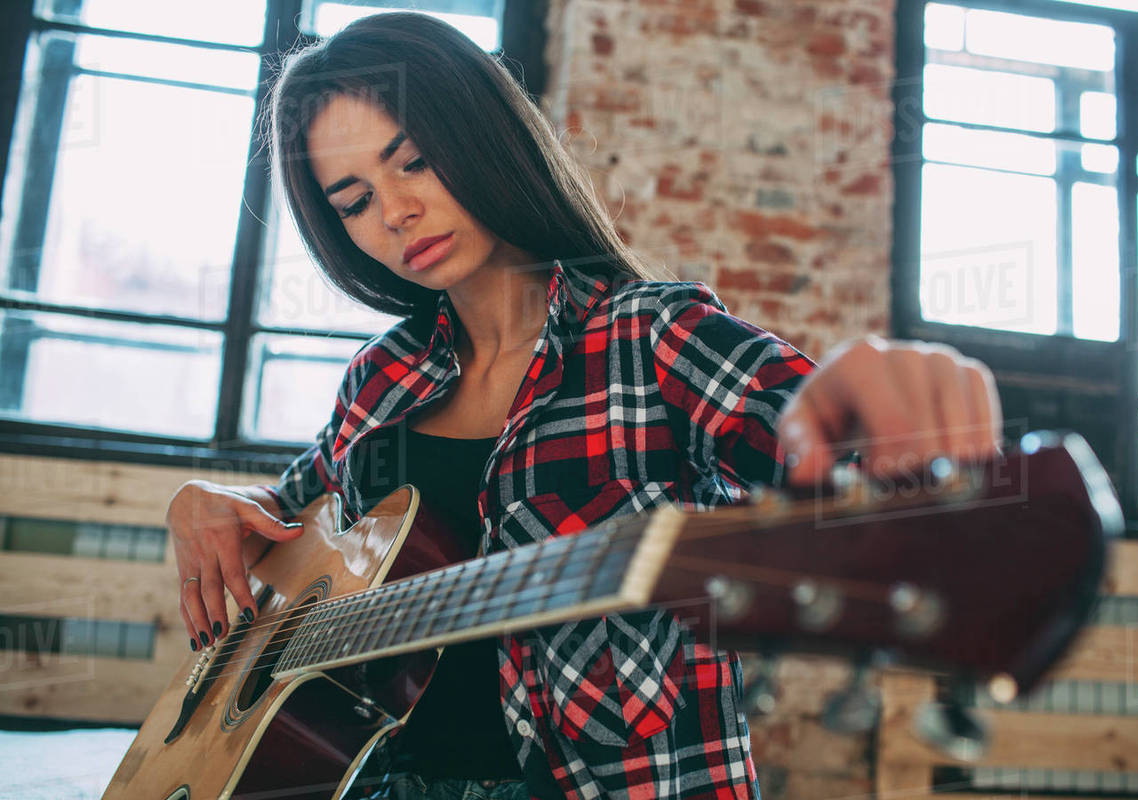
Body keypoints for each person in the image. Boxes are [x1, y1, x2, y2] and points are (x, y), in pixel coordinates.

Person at [164, 11, 1003, 800]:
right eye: (353, 201)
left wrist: (887, 422)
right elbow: (295, 505)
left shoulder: (656, 339)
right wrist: (215, 506)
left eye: (413, 160)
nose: (395, 211)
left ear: (479, 134)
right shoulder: (379, 380)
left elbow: (828, 444)